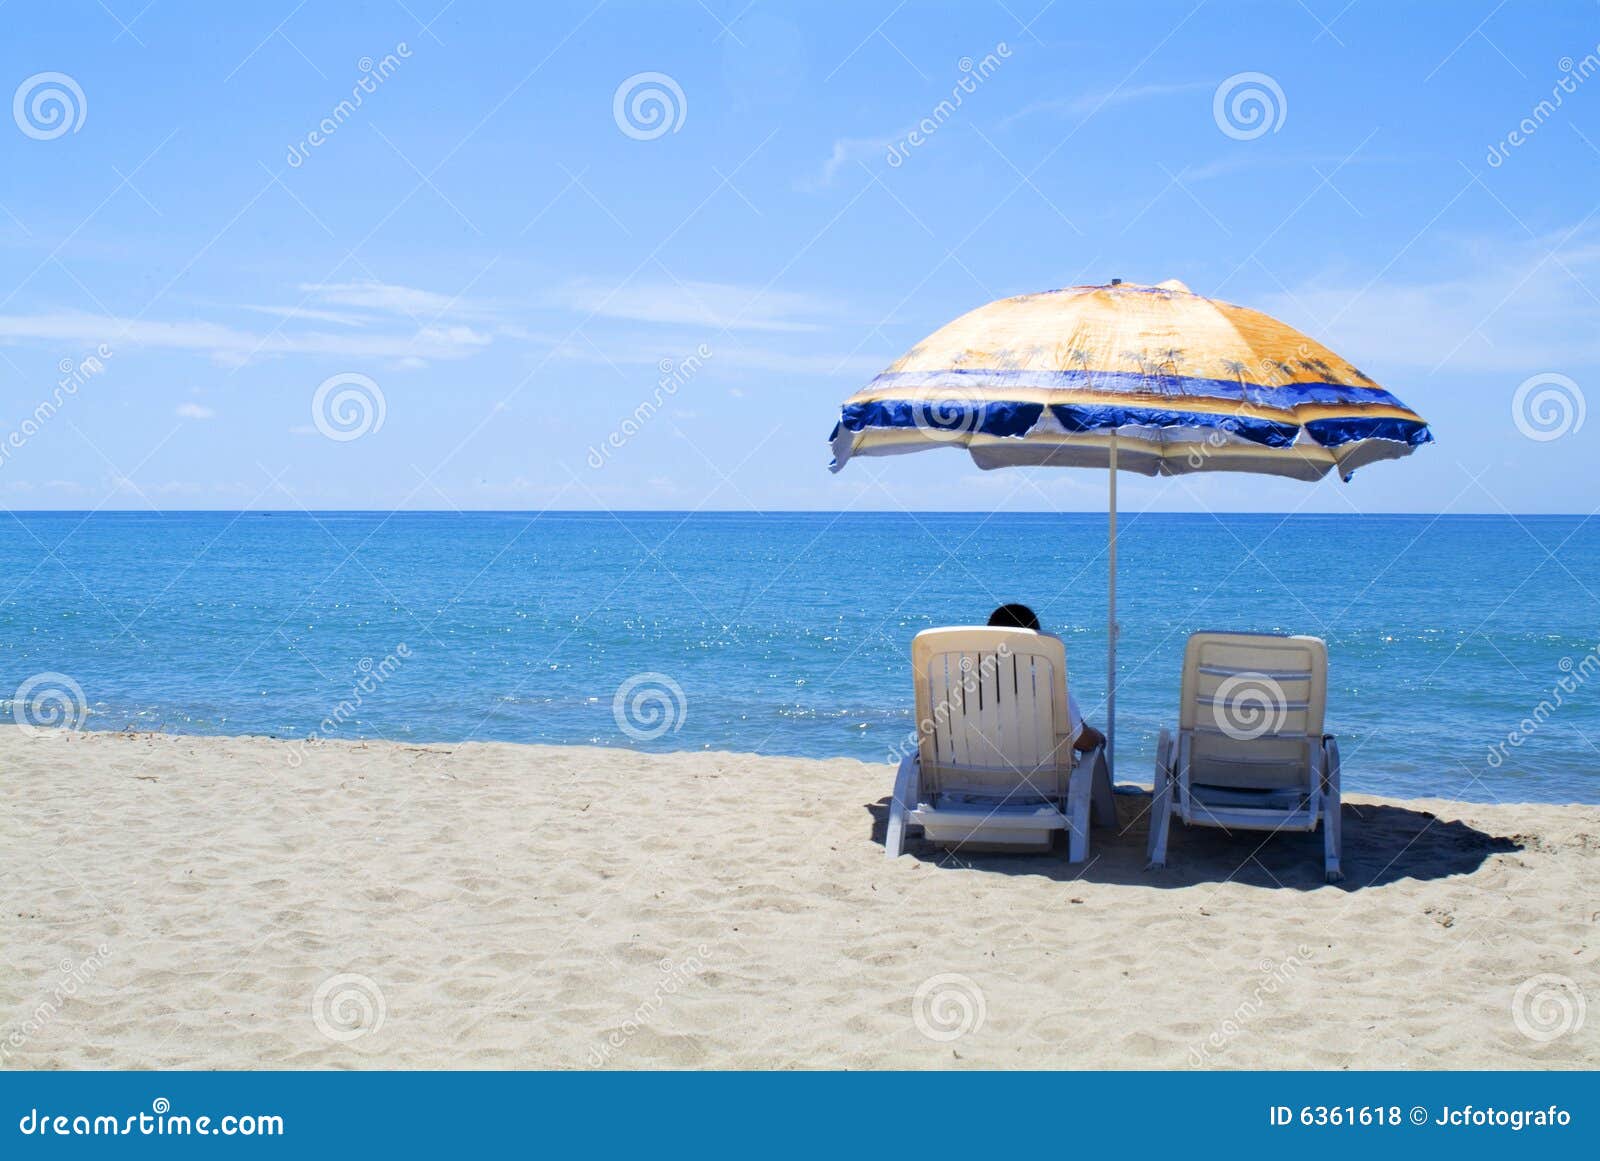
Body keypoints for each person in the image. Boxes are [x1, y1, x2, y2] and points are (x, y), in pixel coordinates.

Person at [987, 604, 1106, 753]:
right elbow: (1083, 741)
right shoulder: (1046, 685)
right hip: (1038, 775)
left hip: (968, 774)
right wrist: (1099, 737)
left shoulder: (965, 685)